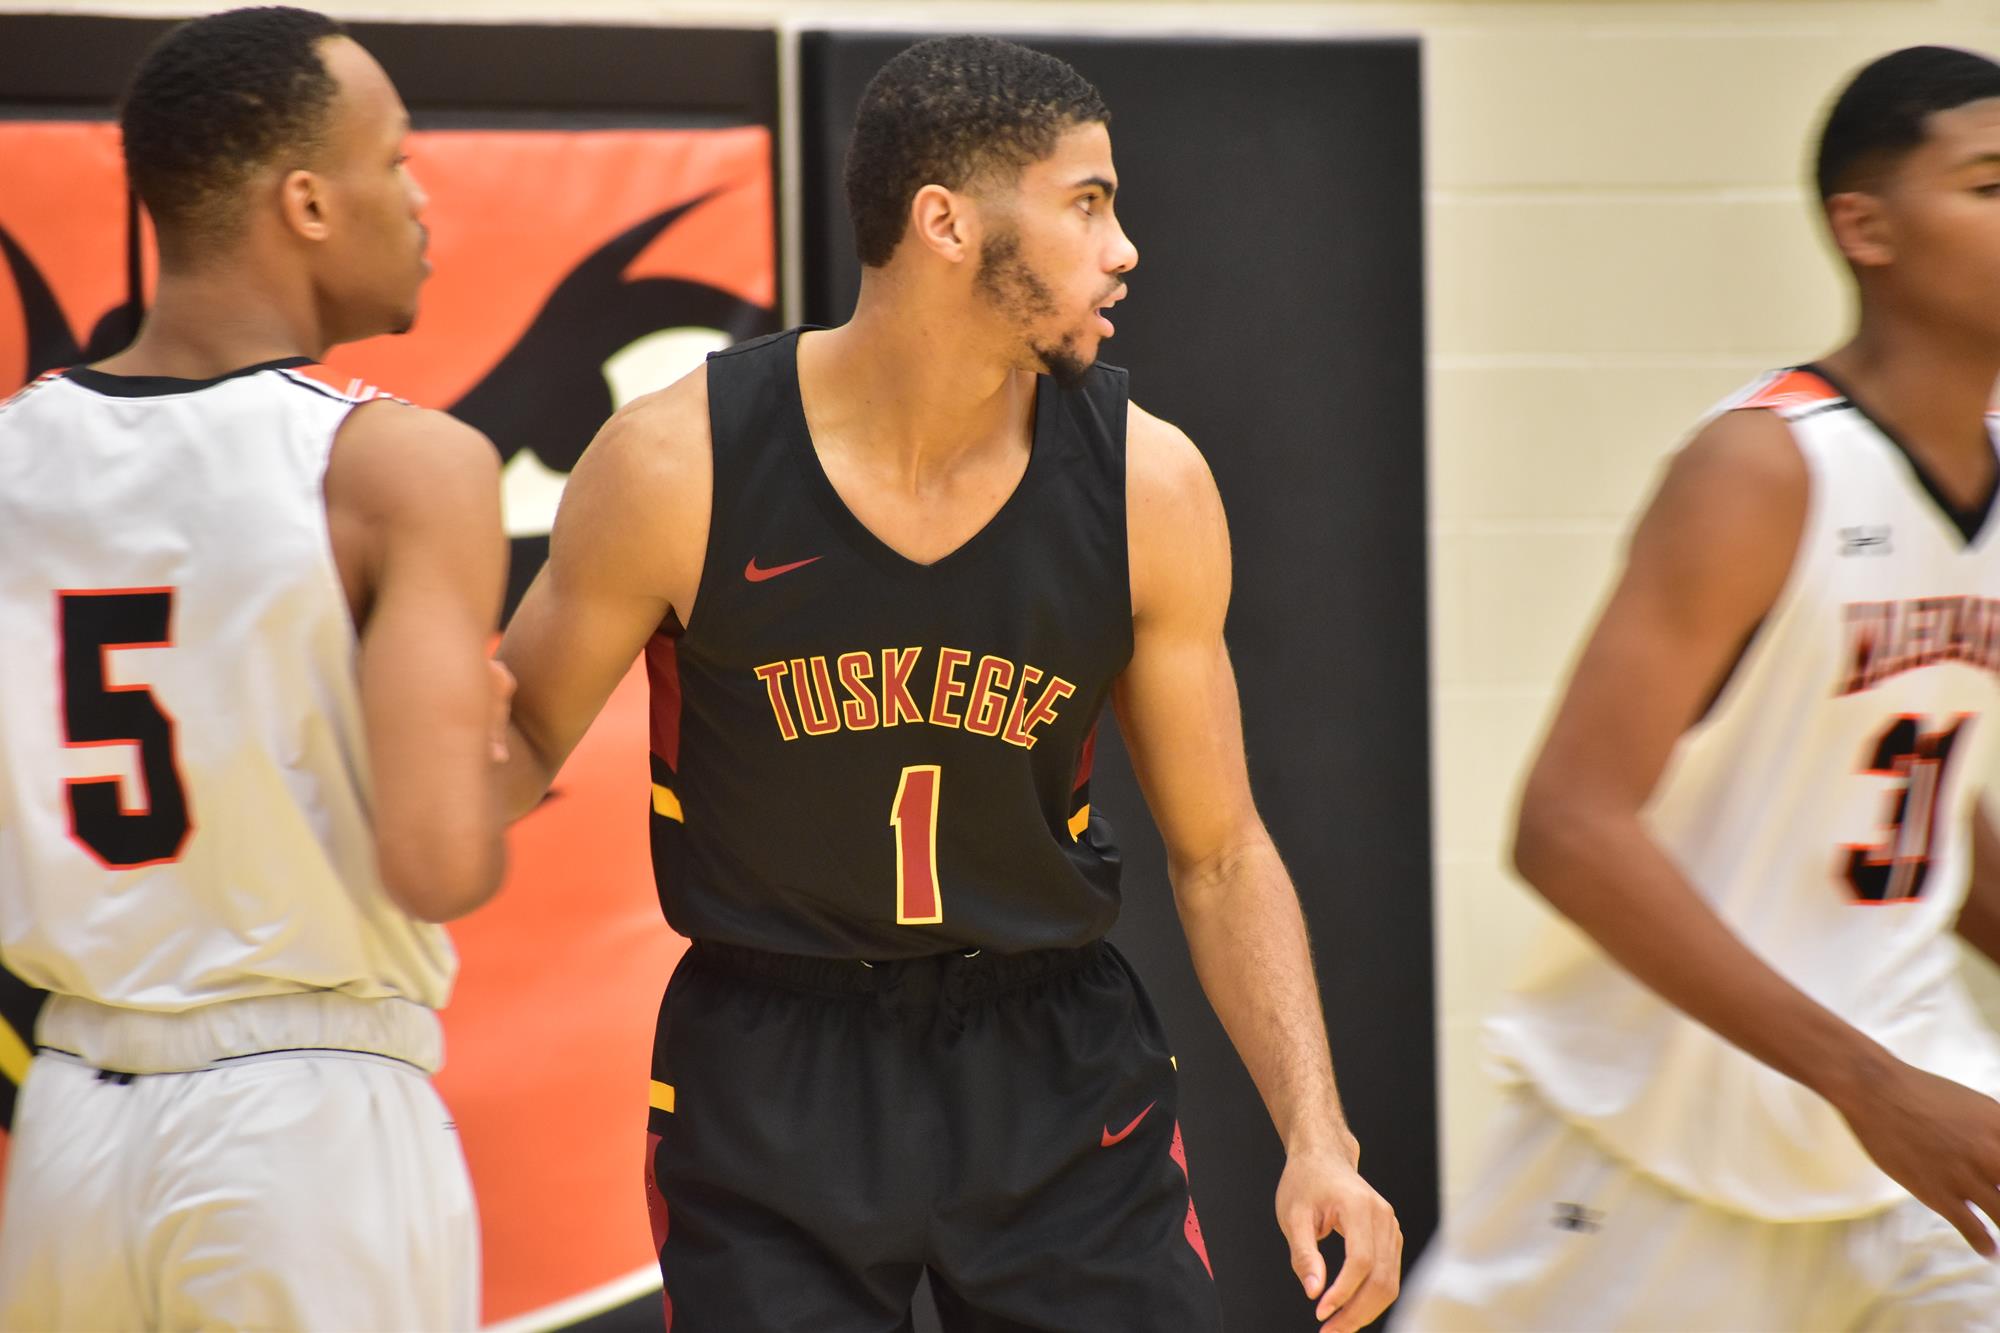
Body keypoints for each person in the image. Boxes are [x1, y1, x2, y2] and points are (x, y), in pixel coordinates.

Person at [497, 34, 1399, 1333]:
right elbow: (516, 740)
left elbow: (1220, 852)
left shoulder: (1151, 484)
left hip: (1048, 1057)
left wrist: (1320, 1135)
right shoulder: (675, 467)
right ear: (945, 224)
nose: (1125, 246)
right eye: (1087, 204)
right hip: (772, 1054)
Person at [1397, 45, 2000, 1332]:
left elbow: (1916, 803)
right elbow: (1564, 826)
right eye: (1989, 182)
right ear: (1865, 226)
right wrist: (1867, 1082)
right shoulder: (1762, 469)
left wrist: (1897, 1077)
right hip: (1661, 1132)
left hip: (1917, 1128)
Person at [0, 8, 510, 1329]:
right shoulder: (403, 467)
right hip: (306, 1119)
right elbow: (441, 858)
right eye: (394, 160)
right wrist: (493, 740)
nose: (418, 197)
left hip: (67, 1122)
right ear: (306, 201)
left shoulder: (12, 456)